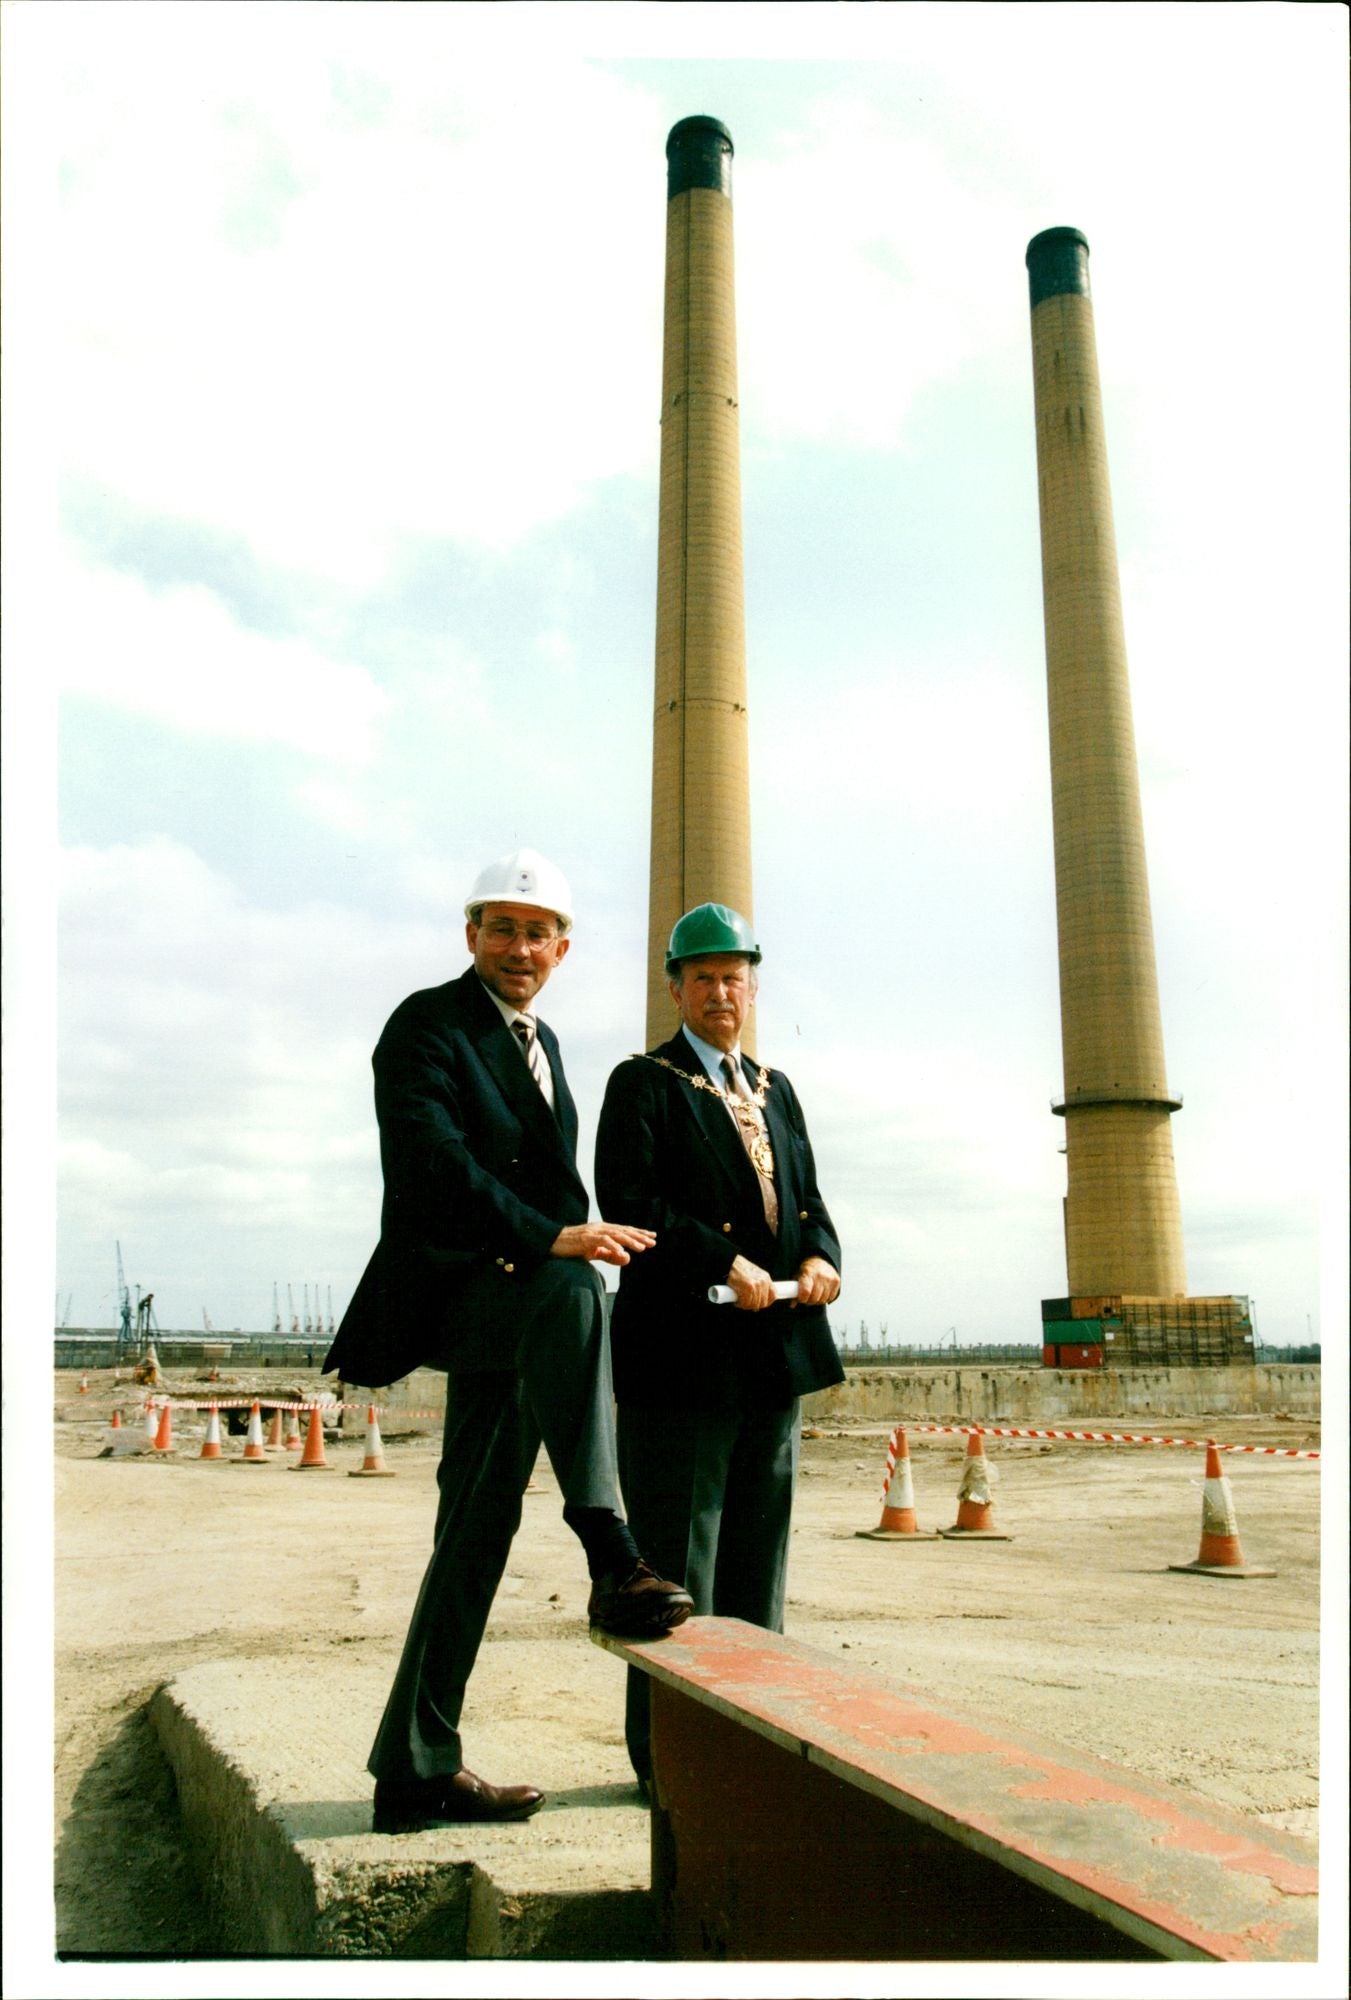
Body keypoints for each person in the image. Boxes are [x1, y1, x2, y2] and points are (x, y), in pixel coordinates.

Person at [324, 848, 693, 1835]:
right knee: (575, 1281)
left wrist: (574, 1237)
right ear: (470, 933)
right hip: (455, 1296)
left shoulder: (548, 1043)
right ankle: (610, 1552)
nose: (519, 947)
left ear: (562, 947)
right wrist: (552, 1239)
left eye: (538, 933)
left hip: (523, 1317)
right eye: (502, 927)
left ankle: (413, 1765)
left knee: (473, 1536)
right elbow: (432, 1165)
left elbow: (558, 1187)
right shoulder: (427, 1024)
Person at [594, 902, 843, 1790]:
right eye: (701, 977)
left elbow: (808, 1200)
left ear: (752, 984)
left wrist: (819, 1256)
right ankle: (668, 1764)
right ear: (674, 988)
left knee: (755, 1560)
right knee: (676, 1566)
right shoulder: (643, 1084)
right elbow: (634, 1208)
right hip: (681, 1361)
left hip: (772, 1356)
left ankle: (760, 1745)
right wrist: (722, 1257)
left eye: (733, 976)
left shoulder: (776, 1087)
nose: (719, 992)